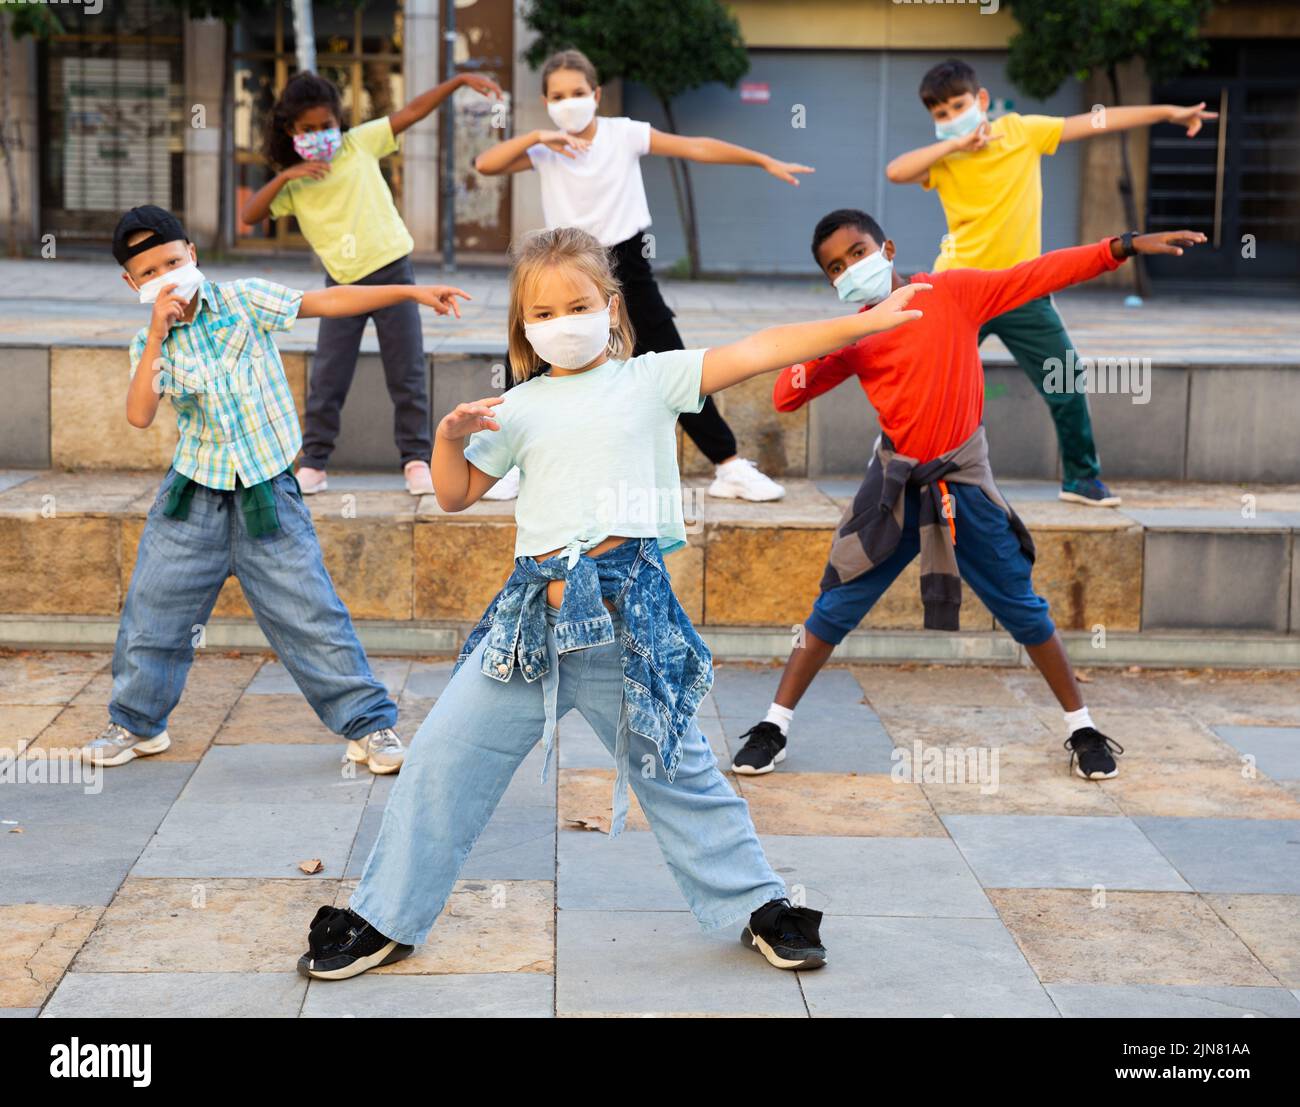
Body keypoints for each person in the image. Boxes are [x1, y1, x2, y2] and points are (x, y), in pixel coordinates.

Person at [295, 225, 928, 980]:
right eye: (544, 312)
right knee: (440, 759)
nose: (563, 321)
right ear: (524, 326)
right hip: (530, 629)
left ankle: (761, 904)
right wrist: (446, 434)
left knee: (681, 769)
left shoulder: (653, 378)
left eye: (578, 303)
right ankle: (384, 916)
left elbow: (763, 347)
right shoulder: (518, 406)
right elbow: (459, 495)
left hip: (629, 619)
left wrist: (865, 321)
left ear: (611, 305)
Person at [728, 207, 1205, 781]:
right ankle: (774, 726)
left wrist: (1123, 245)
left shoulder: (952, 293)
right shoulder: (857, 334)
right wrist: (849, 331)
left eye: (857, 253)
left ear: (888, 249)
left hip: (963, 489)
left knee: (1025, 612)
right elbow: (786, 394)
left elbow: (1042, 273)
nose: (850, 268)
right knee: (835, 606)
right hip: (895, 490)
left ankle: (1081, 727)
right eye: (835, 267)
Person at [82, 205, 469, 775]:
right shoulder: (150, 341)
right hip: (192, 500)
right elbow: (140, 414)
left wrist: (408, 295)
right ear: (132, 283)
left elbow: (326, 303)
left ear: (191, 253)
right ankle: (137, 725)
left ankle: (369, 726)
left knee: (311, 615)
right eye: (149, 272)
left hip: (269, 498)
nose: (165, 276)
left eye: (171, 260)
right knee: (153, 614)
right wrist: (158, 336)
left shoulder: (243, 300)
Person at [474, 47, 812, 502]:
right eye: (557, 95)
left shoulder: (623, 134)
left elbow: (694, 147)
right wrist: (538, 135)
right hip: (565, 261)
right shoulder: (545, 149)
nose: (568, 101)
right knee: (528, 359)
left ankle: (728, 465)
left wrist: (761, 160)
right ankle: (507, 463)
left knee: (671, 356)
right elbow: (485, 164)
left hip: (626, 260)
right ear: (548, 102)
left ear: (595, 94)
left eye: (577, 91)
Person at [885, 58, 1215, 507]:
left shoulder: (1022, 131)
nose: (950, 117)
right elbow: (896, 171)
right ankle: (893, 468)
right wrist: (955, 143)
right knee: (924, 381)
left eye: (958, 106)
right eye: (940, 114)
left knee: (1066, 378)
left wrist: (1167, 112)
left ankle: (1081, 479)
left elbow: (1098, 121)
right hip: (960, 290)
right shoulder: (943, 159)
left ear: (981, 100)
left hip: (1023, 289)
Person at [240, 69, 500, 495]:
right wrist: (287, 176)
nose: (322, 134)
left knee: (407, 372)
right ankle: (314, 463)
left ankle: (417, 461)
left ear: (339, 122)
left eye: (327, 125)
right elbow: (250, 215)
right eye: (309, 129)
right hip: (341, 287)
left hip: (394, 272)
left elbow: (412, 111)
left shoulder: (359, 142)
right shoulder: (295, 180)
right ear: (291, 131)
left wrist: (455, 83)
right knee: (328, 375)